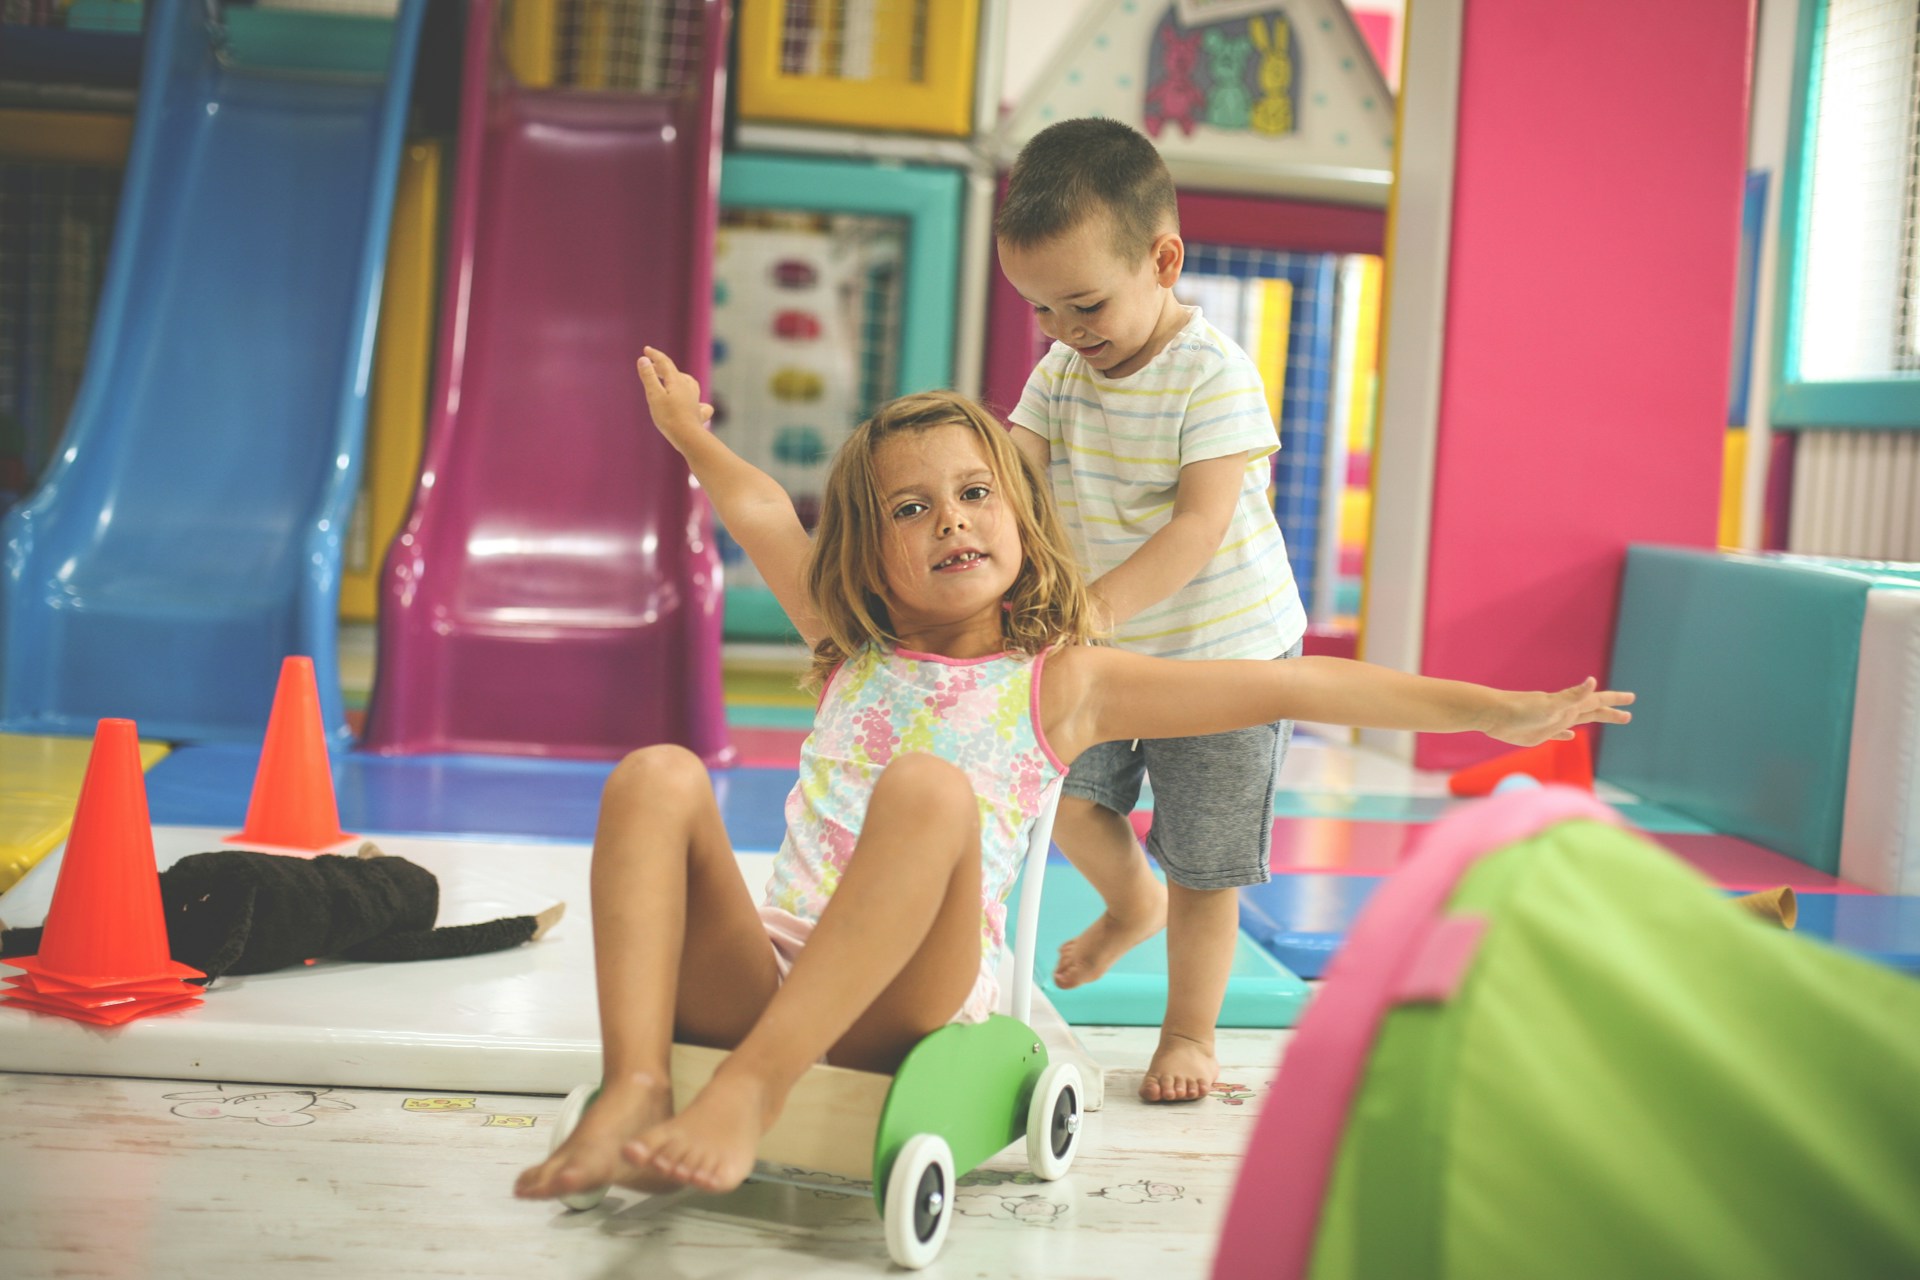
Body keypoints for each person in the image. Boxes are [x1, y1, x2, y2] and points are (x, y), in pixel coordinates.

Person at [513, 348, 1632, 1201]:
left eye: (974, 492)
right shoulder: (846, 642)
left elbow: (1302, 689)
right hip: (772, 963)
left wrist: (1502, 711)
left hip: (919, 997)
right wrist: (691, 436)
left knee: (927, 788)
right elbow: (760, 506)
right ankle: (635, 1085)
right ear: (866, 551)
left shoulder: (1063, 680)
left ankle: (752, 1088)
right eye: (911, 508)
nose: (952, 518)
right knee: (657, 771)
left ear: (1017, 510)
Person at [995, 116, 1315, 1101]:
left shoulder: (1211, 374)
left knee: (1206, 862)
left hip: (1227, 656)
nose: (1065, 331)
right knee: (1069, 798)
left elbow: (1197, 528)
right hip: (1109, 646)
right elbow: (1014, 477)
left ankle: (1189, 1032)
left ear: (1162, 259)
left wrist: (1091, 604)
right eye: (1043, 311)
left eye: (1084, 303)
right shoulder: (1060, 372)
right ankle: (1129, 898)